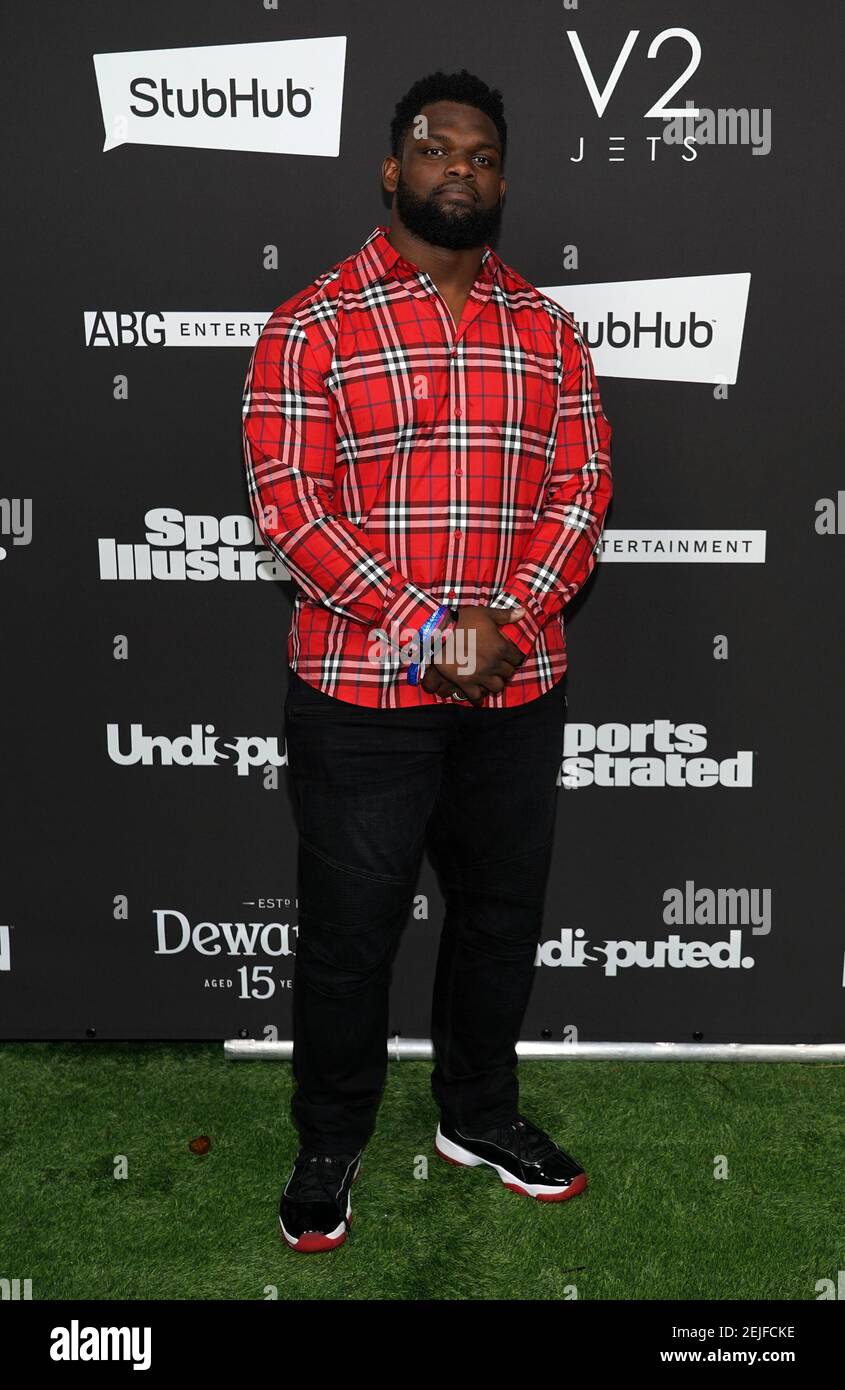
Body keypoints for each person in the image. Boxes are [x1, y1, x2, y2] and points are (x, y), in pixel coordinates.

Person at [241, 68, 613, 1253]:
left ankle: (477, 1113)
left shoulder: (546, 331)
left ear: (502, 180)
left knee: (499, 917)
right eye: (434, 147)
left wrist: (500, 621)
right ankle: (329, 1136)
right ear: (390, 168)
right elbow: (292, 508)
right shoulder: (312, 323)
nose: (460, 166)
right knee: (350, 933)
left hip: (515, 687)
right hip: (360, 695)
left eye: (482, 154)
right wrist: (430, 630)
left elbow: (580, 490)